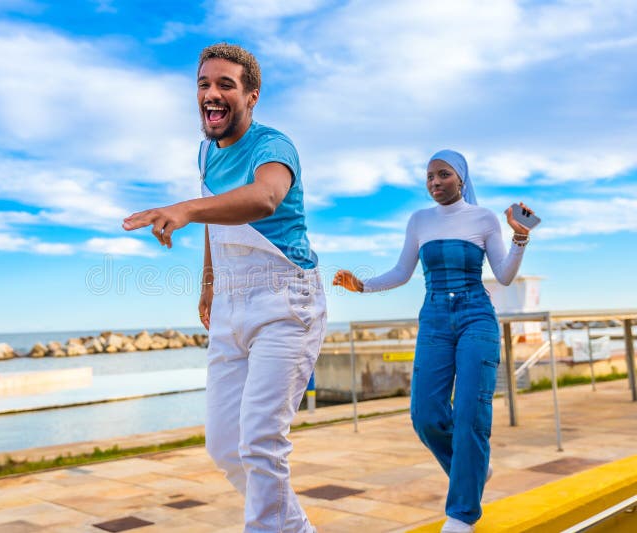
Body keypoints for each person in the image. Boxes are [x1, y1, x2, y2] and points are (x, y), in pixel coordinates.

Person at [123, 43, 326, 533]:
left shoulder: (272, 146)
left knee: (259, 442)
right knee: (225, 445)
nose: (211, 95)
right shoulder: (205, 153)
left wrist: (187, 209)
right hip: (231, 306)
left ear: (251, 96)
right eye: (203, 85)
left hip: (285, 303)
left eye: (225, 85)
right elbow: (221, 222)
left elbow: (265, 197)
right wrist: (209, 284)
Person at [332, 150, 534, 533]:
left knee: (471, 414)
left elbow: (504, 276)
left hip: (476, 315)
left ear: (461, 179)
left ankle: (461, 515)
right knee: (424, 415)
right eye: (429, 177)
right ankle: (474, 467)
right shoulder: (419, 220)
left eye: (443, 175)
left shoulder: (484, 218)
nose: (435, 182)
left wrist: (520, 238)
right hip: (435, 318)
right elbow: (401, 271)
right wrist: (362, 286)